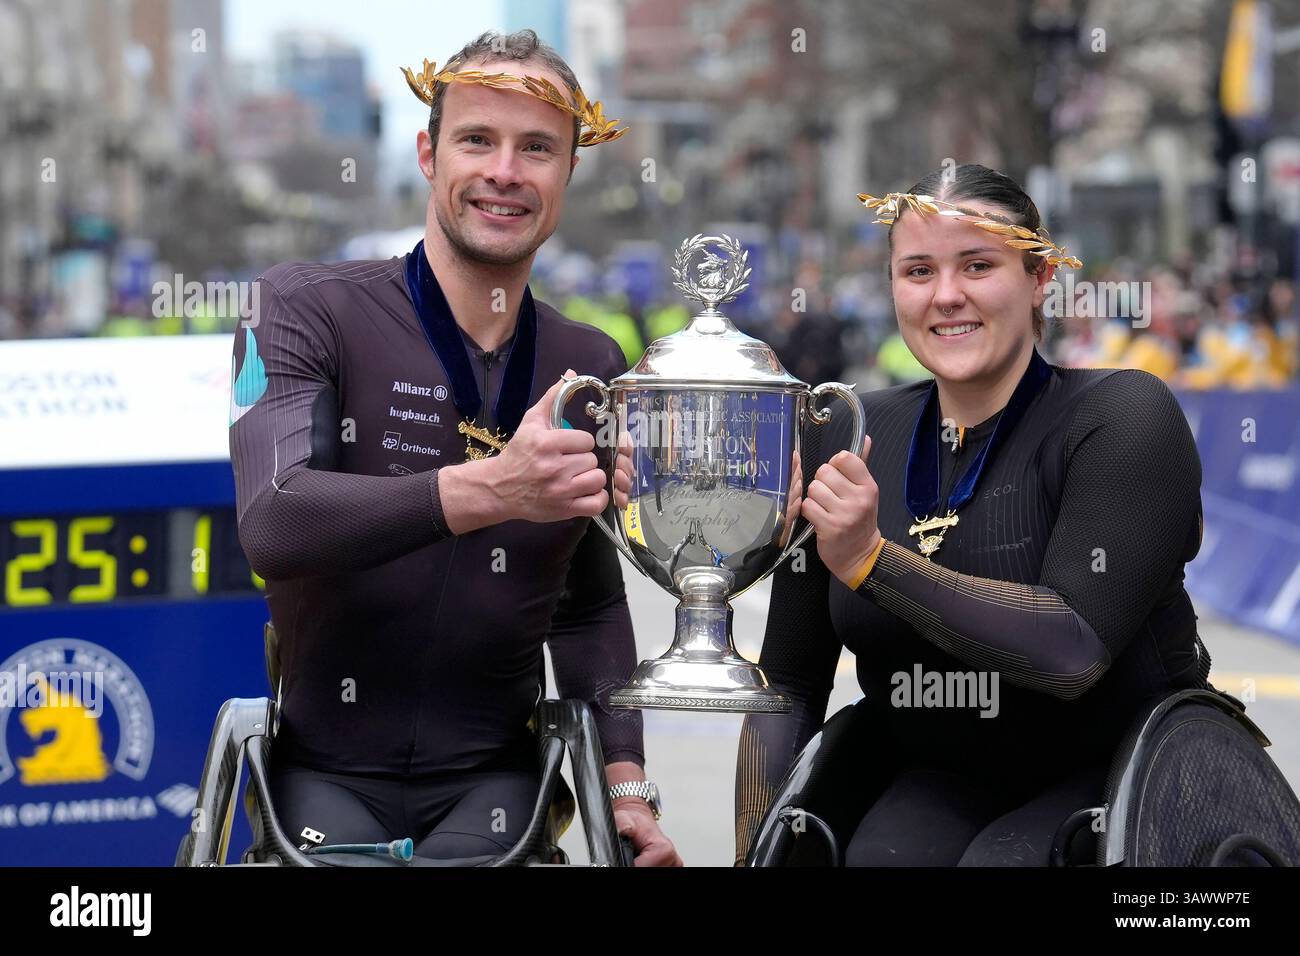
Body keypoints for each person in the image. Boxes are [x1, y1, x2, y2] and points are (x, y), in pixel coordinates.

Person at [230, 30, 680, 865]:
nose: (505, 171)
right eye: (478, 139)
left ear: (568, 173)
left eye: (537, 148)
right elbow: (273, 521)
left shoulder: (589, 366)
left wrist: (625, 785)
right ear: (429, 156)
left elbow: (587, 604)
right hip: (323, 767)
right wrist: (497, 490)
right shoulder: (303, 306)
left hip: (497, 778)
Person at [733, 164, 1210, 866]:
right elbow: (791, 683)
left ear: (1040, 276)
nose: (946, 296)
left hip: (1123, 775)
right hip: (936, 771)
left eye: (978, 266)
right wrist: (754, 844)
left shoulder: (1123, 414)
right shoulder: (846, 429)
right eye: (918, 271)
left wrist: (873, 561)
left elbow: (1071, 651)